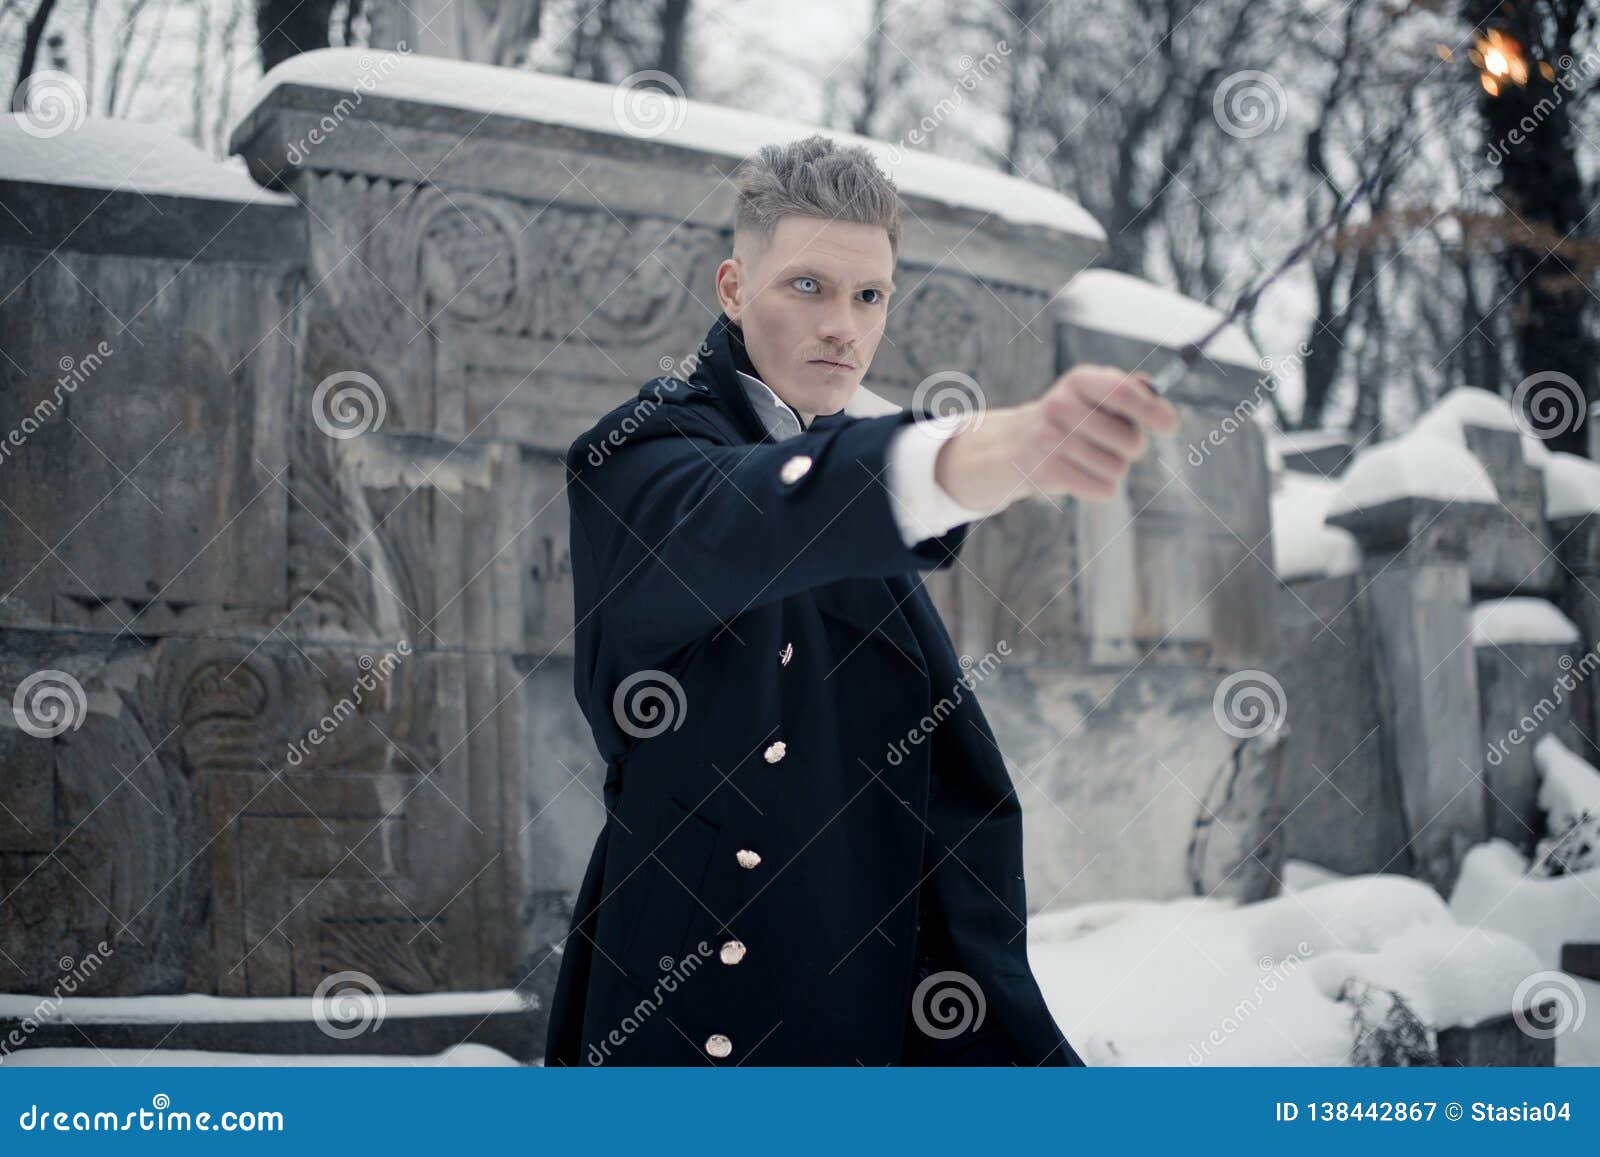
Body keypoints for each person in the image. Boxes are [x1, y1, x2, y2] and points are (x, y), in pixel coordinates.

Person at [544, 134, 1179, 1066]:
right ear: (731, 288)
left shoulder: (854, 465)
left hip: (863, 1004)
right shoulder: (637, 457)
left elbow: (943, 806)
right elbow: (745, 513)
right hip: (691, 1004)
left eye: (868, 295)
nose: (842, 324)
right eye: (808, 286)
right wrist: (967, 454)